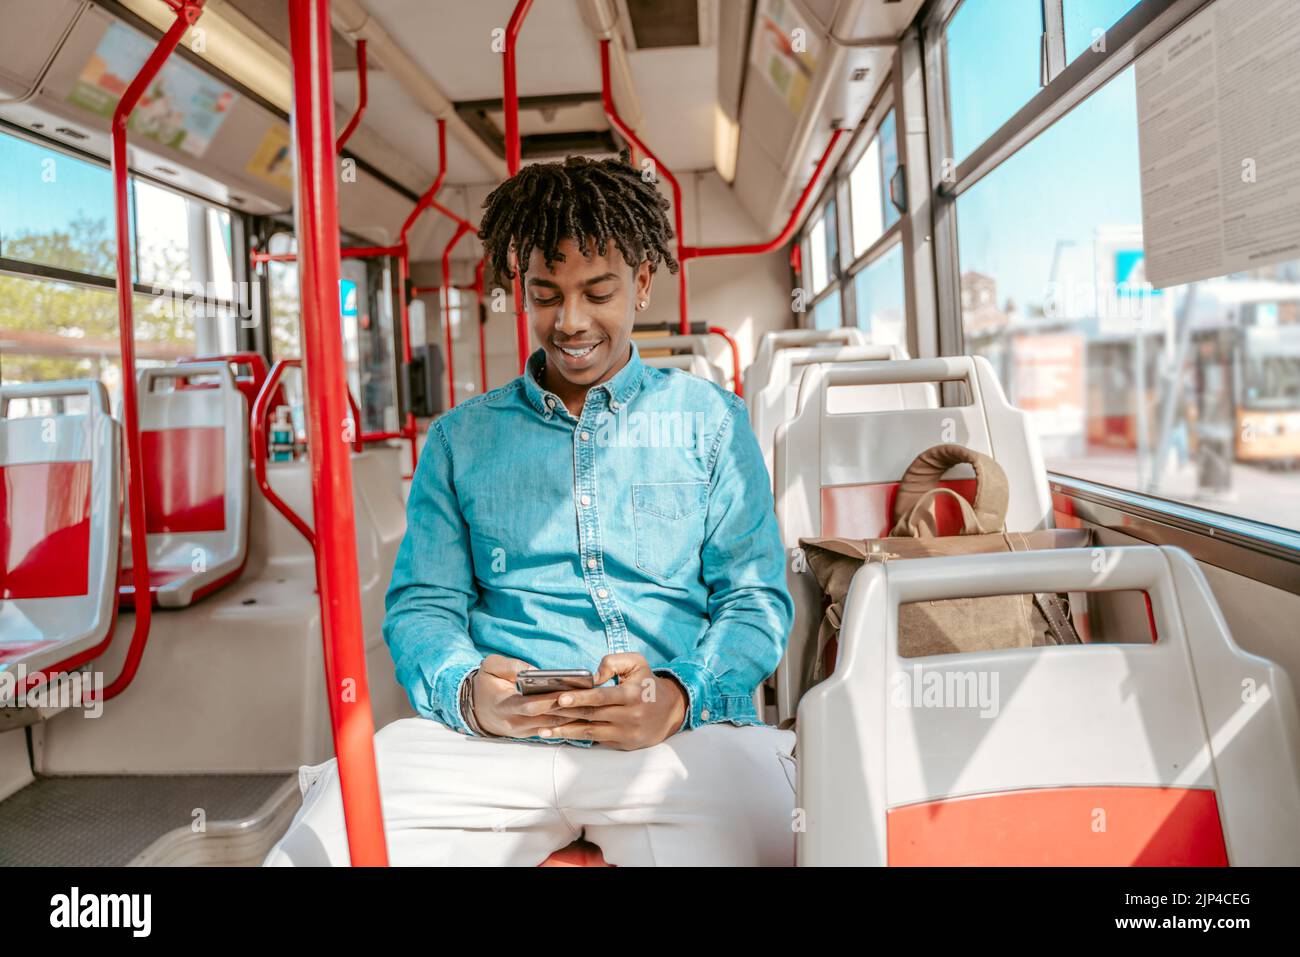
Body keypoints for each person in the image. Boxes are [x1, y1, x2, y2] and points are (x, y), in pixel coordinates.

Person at [264, 153, 795, 867]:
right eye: (546, 294)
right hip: (495, 745)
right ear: (521, 291)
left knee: (800, 838)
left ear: (641, 283)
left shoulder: (712, 424)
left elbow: (755, 600)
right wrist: (469, 691)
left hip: (673, 739)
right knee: (318, 850)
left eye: (597, 291)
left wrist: (677, 694)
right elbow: (422, 608)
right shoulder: (459, 440)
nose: (570, 322)